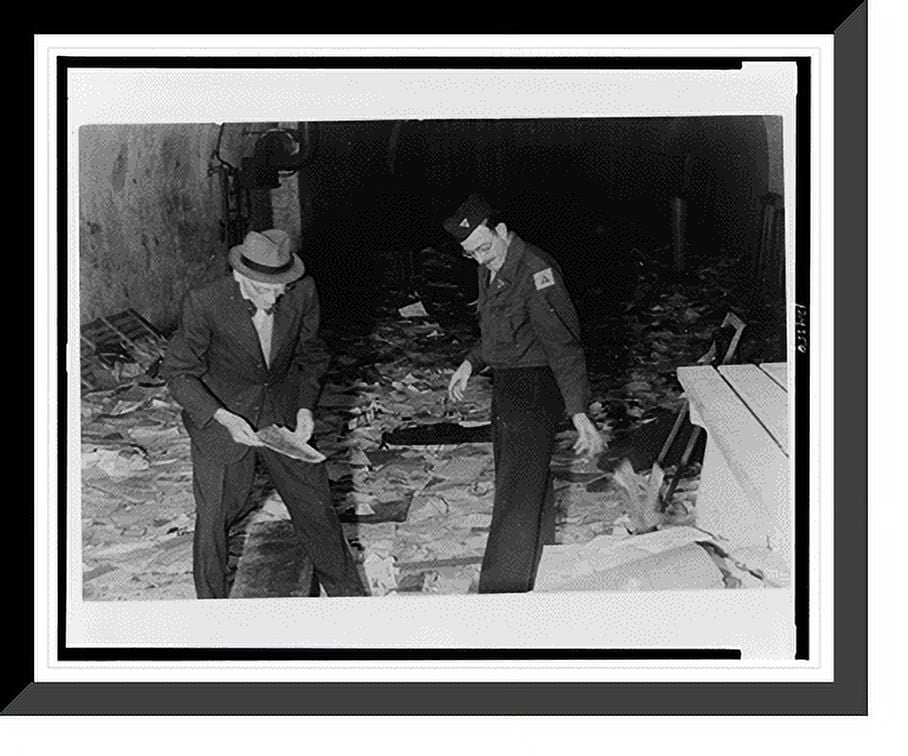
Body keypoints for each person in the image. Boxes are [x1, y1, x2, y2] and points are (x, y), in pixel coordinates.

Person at [161, 228, 366, 599]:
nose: (274, 298)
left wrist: (305, 407)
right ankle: (209, 615)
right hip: (222, 412)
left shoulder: (302, 292)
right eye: (263, 289)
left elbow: (312, 356)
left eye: (280, 288)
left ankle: (350, 603)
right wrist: (222, 416)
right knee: (214, 518)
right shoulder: (205, 302)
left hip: (281, 413)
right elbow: (178, 372)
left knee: (317, 510)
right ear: (240, 276)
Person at [443, 194, 605, 593]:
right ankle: (535, 575)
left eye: (483, 248)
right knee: (526, 486)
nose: (480, 259)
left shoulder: (535, 270)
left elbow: (563, 345)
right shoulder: (490, 264)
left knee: (515, 496)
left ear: (501, 231)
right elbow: (498, 332)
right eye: (470, 253)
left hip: (534, 389)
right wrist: (470, 363)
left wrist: (578, 411)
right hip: (508, 386)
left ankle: (500, 594)